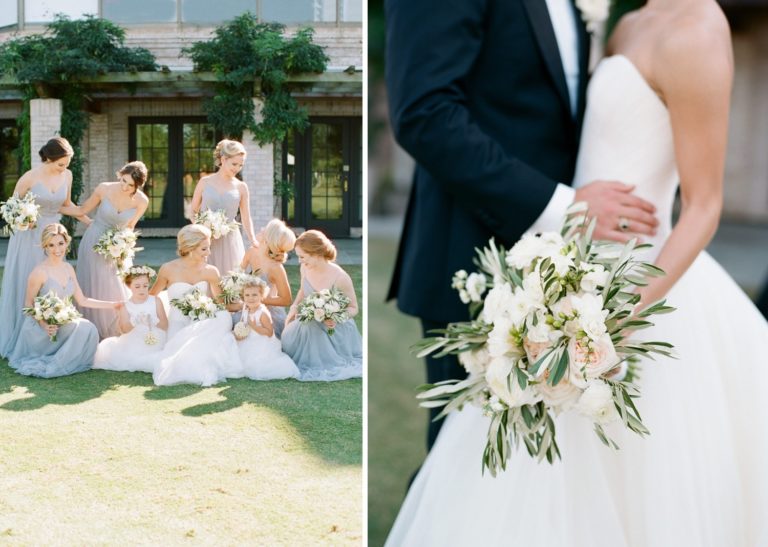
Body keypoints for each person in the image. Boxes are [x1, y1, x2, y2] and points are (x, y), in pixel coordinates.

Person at [385, 1, 768, 545]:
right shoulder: (629, 23)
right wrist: (563, 223)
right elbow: (426, 113)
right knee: (479, 479)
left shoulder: (695, 29)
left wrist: (613, 316)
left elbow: (703, 204)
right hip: (516, 268)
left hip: (620, 292)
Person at [384, 0, 659, 451]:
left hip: (571, 273)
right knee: (465, 468)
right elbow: (425, 114)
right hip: (470, 258)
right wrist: (564, 207)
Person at [0, 137, 86, 358]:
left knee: (54, 282)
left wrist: (92, 222)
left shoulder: (67, 175)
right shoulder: (29, 177)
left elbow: (66, 206)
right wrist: (23, 221)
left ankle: (53, 330)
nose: (64, 169)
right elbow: (12, 209)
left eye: (67, 164)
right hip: (29, 237)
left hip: (53, 235)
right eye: (60, 164)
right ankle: (24, 335)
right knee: (30, 281)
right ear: (48, 158)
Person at [8, 224, 123, 378]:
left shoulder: (68, 268)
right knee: (84, 327)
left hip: (64, 322)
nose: (57, 249)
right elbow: (28, 305)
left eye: (60, 243)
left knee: (89, 328)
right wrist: (44, 324)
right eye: (51, 245)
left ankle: (66, 361)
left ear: (66, 243)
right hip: (42, 329)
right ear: (45, 246)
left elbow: (82, 300)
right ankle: (57, 363)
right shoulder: (39, 272)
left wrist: (113, 305)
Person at [63, 161, 149, 339]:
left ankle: (116, 327)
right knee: (93, 280)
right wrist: (54, 207)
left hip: (118, 248)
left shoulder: (142, 201)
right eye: (123, 181)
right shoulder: (104, 188)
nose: (125, 187)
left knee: (114, 283)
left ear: (138, 185)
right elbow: (82, 209)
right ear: (120, 175)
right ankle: (89, 329)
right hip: (94, 241)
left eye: (130, 185)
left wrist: (123, 244)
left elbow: (131, 226)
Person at [149, 224, 242, 386]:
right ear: (190, 248)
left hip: (203, 320)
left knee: (222, 317)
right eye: (204, 249)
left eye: (209, 248)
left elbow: (220, 303)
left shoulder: (211, 271)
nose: (209, 253)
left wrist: (244, 304)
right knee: (176, 349)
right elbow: (151, 297)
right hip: (177, 321)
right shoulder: (168, 269)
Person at [282, 230, 362, 382]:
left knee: (311, 328)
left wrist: (335, 318)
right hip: (309, 319)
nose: (300, 261)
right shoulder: (305, 268)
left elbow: (354, 308)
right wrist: (294, 307)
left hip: (333, 328)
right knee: (287, 341)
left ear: (316, 253)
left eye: (302, 257)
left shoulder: (340, 277)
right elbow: (303, 290)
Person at [190, 139, 258, 275]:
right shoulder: (204, 182)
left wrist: (253, 240)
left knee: (229, 281)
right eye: (234, 164)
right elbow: (193, 211)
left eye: (240, 165)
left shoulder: (241, 187)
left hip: (230, 240)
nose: (237, 168)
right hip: (205, 240)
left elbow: (246, 217)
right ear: (223, 159)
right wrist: (203, 230)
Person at [93, 265, 168, 373]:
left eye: (145, 286)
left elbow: (165, 326)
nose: (142, 289)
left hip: (156, 339)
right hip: (134, 342)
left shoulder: (156, 301)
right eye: (137, 286)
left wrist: (154, 321)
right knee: (132, 359)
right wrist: (134, 321)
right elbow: (123, 330)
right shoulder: (125, 306)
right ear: (129, 286)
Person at [233, 277, 299, 381]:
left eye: (254, 295)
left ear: (261, 296)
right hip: (247, 341)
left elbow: (269, 333)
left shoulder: (263, 313)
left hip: (262, 343)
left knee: (257, 366)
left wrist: (254, 326)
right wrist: (239, 334)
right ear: (243, 296)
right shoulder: (246, 309)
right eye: (247, 295)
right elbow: (243, 324)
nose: (251, 298)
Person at [239, 218, 296, 338]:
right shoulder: (251, 252)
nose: (261, 229)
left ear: (269, 238)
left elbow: (286, 300)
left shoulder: (276, 268)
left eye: (265, 229)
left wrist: (259, 299)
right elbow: (238, 274)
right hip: (247, 309)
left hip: (268, 315)